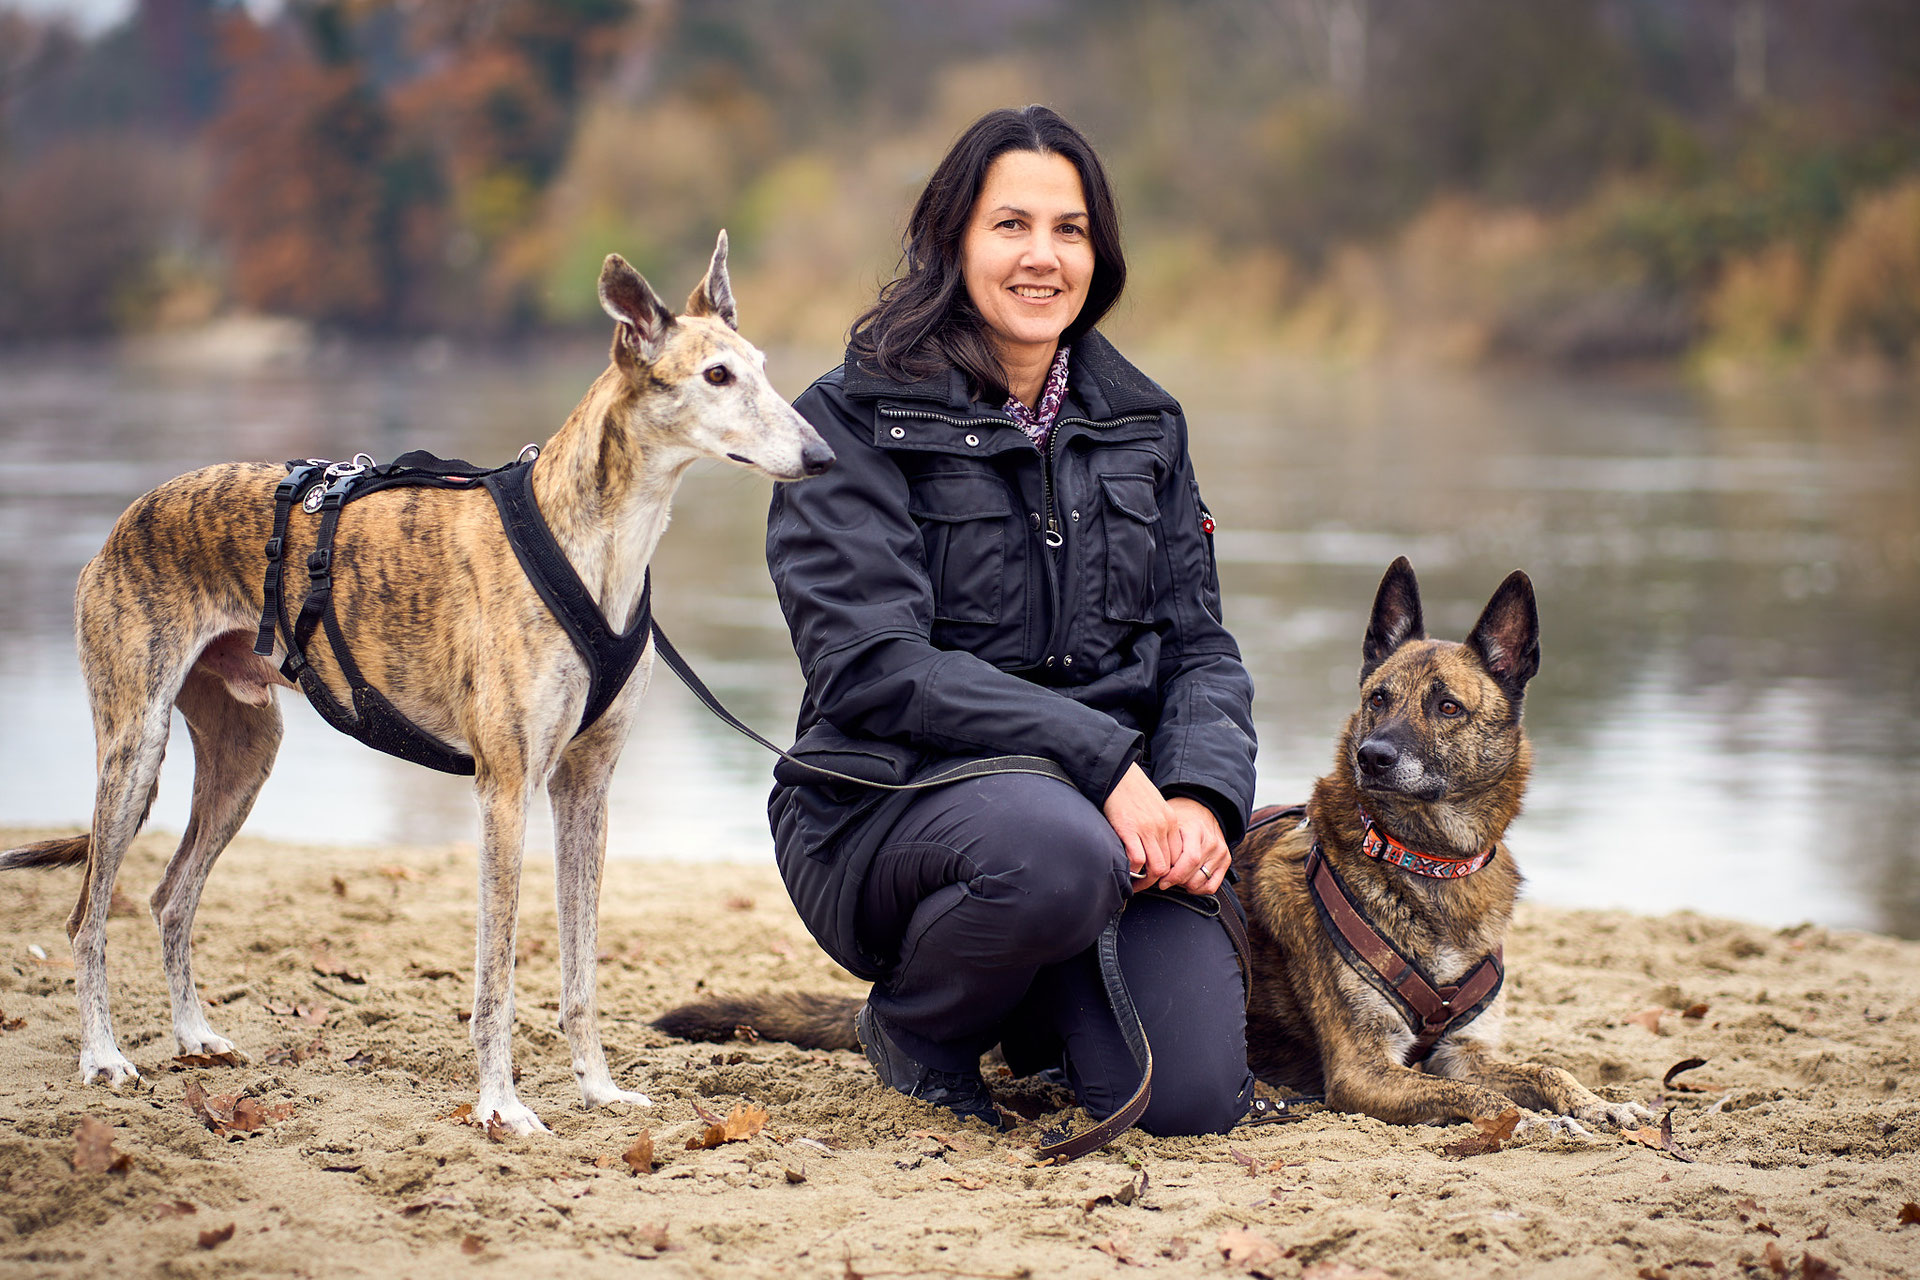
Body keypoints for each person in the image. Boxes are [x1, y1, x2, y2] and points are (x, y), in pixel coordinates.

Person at [765, 105, 1257, 1137]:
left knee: (1192, 1101)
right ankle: (920, 1028)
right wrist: (1106, 763)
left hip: (1107, 823)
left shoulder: (1144, 422)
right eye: (1011, 226)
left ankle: (1034, 1001)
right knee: (1053, 850)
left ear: (1099, 252)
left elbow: (1200, 643)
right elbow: (871, 666)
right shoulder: (849, 420)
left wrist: (1202, 797)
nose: (1044, 257)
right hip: (888, 812)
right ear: (951, 241)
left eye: (1070, 230)